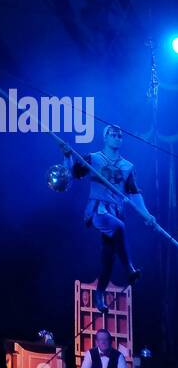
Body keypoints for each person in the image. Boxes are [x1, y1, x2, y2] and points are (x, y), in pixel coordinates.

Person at [61, 124, 155, 313]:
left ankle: (100, 294)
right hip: (98, 210)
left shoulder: (128, 166)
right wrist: (67, 155)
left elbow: (135, 194)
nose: (117, 137)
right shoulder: (93, 158)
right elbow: (71, 174)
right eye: (113, 134)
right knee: (119, 227)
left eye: (120, 135)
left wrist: (146, 215)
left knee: (108, 259)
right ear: (105, 137)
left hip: (116, 211)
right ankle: (129, 268)